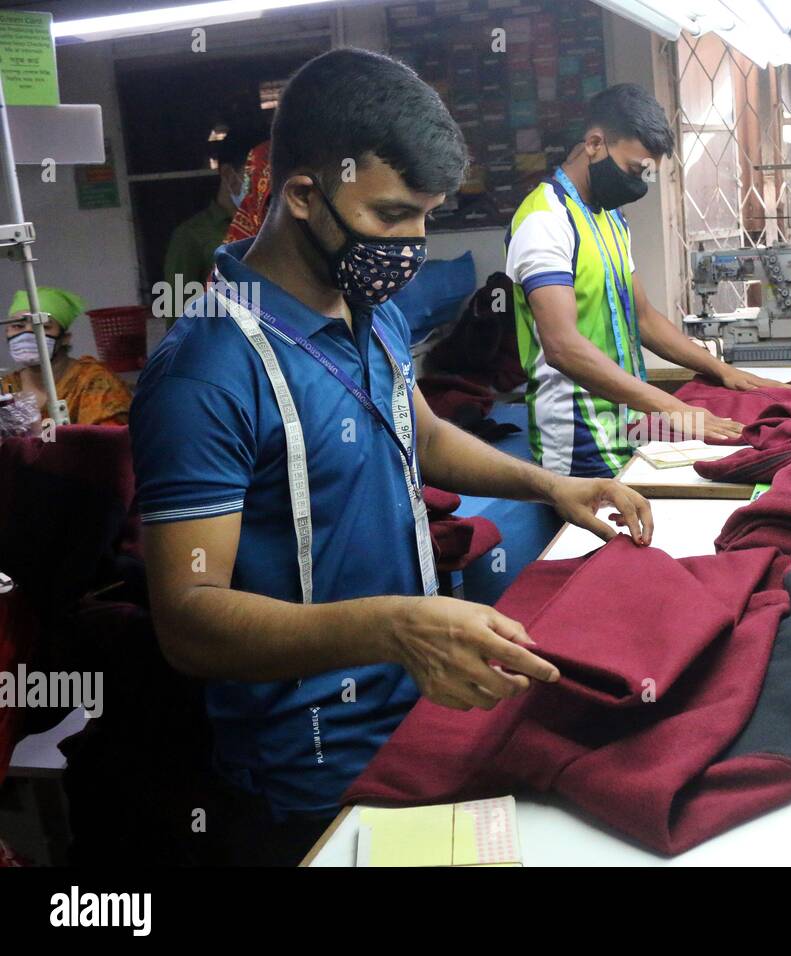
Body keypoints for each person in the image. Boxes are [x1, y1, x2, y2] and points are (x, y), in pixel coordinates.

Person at [129, 48, 653, 864]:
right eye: (390, 216)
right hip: (308, 774)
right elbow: (188, 621)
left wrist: (556, 483)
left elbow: (426, 437)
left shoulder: (369, 309)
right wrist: (396, 626)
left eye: (424, 218)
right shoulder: (206, 370)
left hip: (417, 720)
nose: (411, 244)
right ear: (303, 193)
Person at [506, 83, 791, 478]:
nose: (638, 184)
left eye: (646, 174)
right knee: (639, 524)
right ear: (594, 143)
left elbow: (642, 317)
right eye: (633, 169)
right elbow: (562, 347)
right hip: (580, 436)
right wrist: (672, 407)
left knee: (743, 436)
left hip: (632, 421)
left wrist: (722, 370)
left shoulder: (609, 217)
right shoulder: (546, 220)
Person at [161, 128, 259, 317]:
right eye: (258, 176)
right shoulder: (191, 237)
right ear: (230, 176)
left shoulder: (272, 232)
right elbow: (178, 322)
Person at [2, 287, 132, 426]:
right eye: (17, 326)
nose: (28, 333)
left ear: (65, 338)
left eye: (43, 326)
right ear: (6, 332)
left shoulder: (94, 382)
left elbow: (110, 441)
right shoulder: (5, 389)